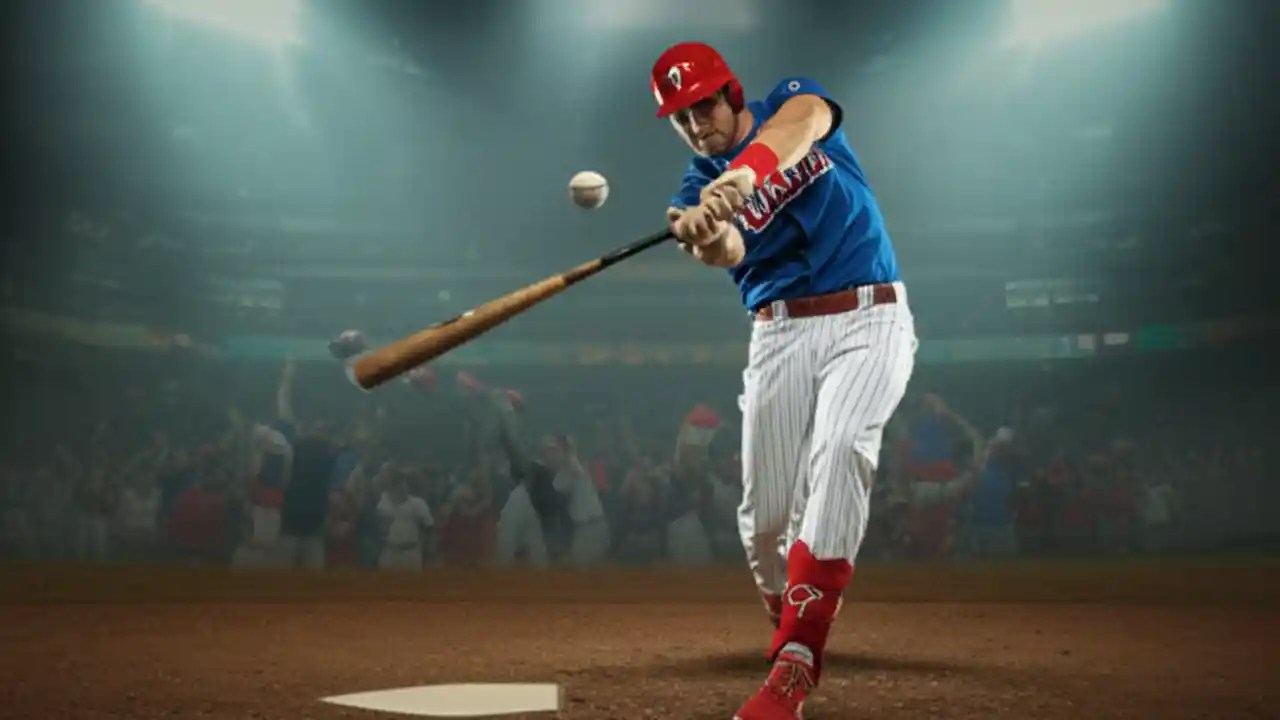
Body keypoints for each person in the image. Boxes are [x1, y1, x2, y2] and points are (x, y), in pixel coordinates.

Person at [653, 41, 918, 719]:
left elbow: (803, 125)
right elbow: (731, 252)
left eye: (701, 104)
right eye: (679, 117)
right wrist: (705, 232)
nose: (694, 123)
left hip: (869, 314)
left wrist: (743, 178)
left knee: (840, 452)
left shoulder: (788, 100)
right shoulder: (691, 189)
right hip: (779, 331)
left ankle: (798, 657)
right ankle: (789, 602)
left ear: (731, 93)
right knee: (765, 518)